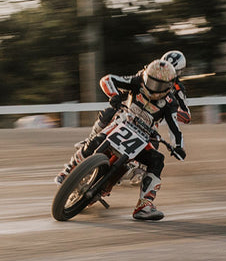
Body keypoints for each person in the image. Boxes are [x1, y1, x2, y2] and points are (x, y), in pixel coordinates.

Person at [56, 58, 188, 221]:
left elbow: (174, 126)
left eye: (159, 85)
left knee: (157, 160)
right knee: (96, 139)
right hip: (123, 121)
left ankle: (144, 205)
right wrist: (115, 95)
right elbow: (108, 80)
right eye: (151, 82)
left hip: (145, 135)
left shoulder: (170, 102)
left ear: (169, 86)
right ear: (146, 76)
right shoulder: (138, 80)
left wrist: (178, 146)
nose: (153, 88)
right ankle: (71, 168)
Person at [61, 50, 191, 178]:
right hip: (128, 112)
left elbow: (186, 115)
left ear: (178, 73)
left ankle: (136, 170)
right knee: (108, 113)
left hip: (149, 125)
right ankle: (91, 140)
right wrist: (116, 96)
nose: (162, 74)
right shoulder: (146, 74)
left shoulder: (178, 91)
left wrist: (170, 111)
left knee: (152, 151)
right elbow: (130, 85)